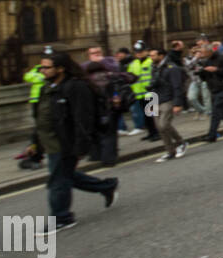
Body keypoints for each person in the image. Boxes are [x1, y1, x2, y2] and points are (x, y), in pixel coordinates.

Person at [33, 51, 118, 229]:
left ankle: (62, 217)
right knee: (66, 176)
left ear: (61, 69)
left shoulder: (76, 87)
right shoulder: (47, 88)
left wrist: (81, 147)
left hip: (65, 143)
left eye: (47, 67)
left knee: (58, 181)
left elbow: (83, 119)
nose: (42, 70)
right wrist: (34, 142)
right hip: (50, 142)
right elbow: (42, 118)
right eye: (41, 67)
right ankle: (106, 187)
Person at [147, 47, 189, 162]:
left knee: (164, 124)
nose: (151, 58)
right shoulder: (154, 68)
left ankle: (181, 143)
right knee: (159, 128)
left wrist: (178, 103)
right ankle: (170, 151)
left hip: (168, 99)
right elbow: (153, 85)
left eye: (153, 55)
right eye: (150, 56)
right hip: (155, 100)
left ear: (161, 56)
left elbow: (177, 86)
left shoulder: (172, 68)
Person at [126, 41, 159, 143]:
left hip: (150, 92)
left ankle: (157, 133)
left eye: (141, 51)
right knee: (145, 115)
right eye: (137, 52)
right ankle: (150, 133)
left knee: (152, 115)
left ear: (146, 51)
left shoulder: (150, 62)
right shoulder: (133, 64)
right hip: (139, 94)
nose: (139, 53)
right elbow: (129, 76)